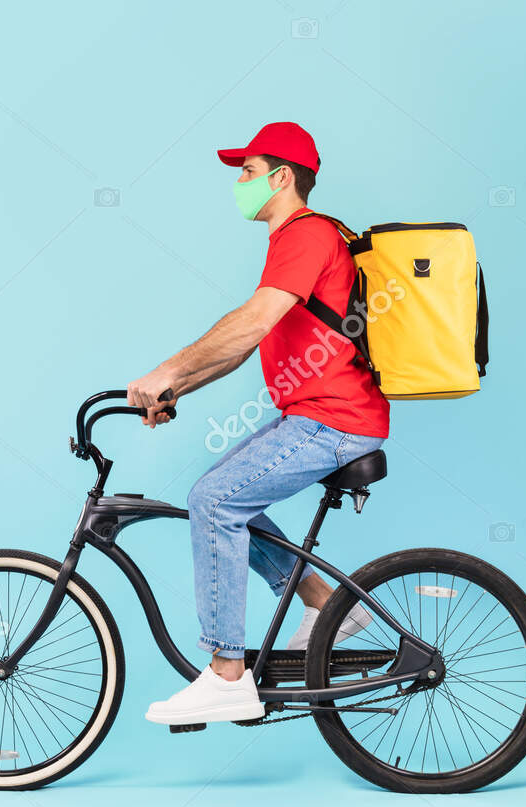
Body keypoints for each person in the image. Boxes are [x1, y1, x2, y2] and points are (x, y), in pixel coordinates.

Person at [126, 122, 389, 725]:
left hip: (336, 421)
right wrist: (174, 387)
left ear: (283, 178)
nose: (239, 184)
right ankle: (328, 608)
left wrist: (166, 370)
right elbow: (243, 345)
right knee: (220, 499)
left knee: (215, 501)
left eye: (247, 172)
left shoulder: (305, 233)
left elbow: (249, 325)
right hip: (318, 414)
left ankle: (225, 676)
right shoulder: (305, 238)